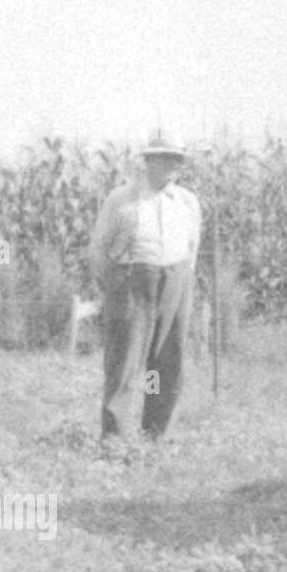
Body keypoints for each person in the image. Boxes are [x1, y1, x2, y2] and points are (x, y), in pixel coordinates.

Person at [89, 133, 202, 444]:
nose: (170, 165)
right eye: (162, 158)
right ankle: (116, 439)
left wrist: (179, 280)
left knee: (165, 361)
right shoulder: (122, 199)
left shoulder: (187, 202)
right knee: (126, 360)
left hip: (175, 279)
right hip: (132, 281)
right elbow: (99, 248)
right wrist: (112, 284)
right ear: (148, 161)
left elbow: (192, 248)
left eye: (175, 159)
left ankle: (154, 433)